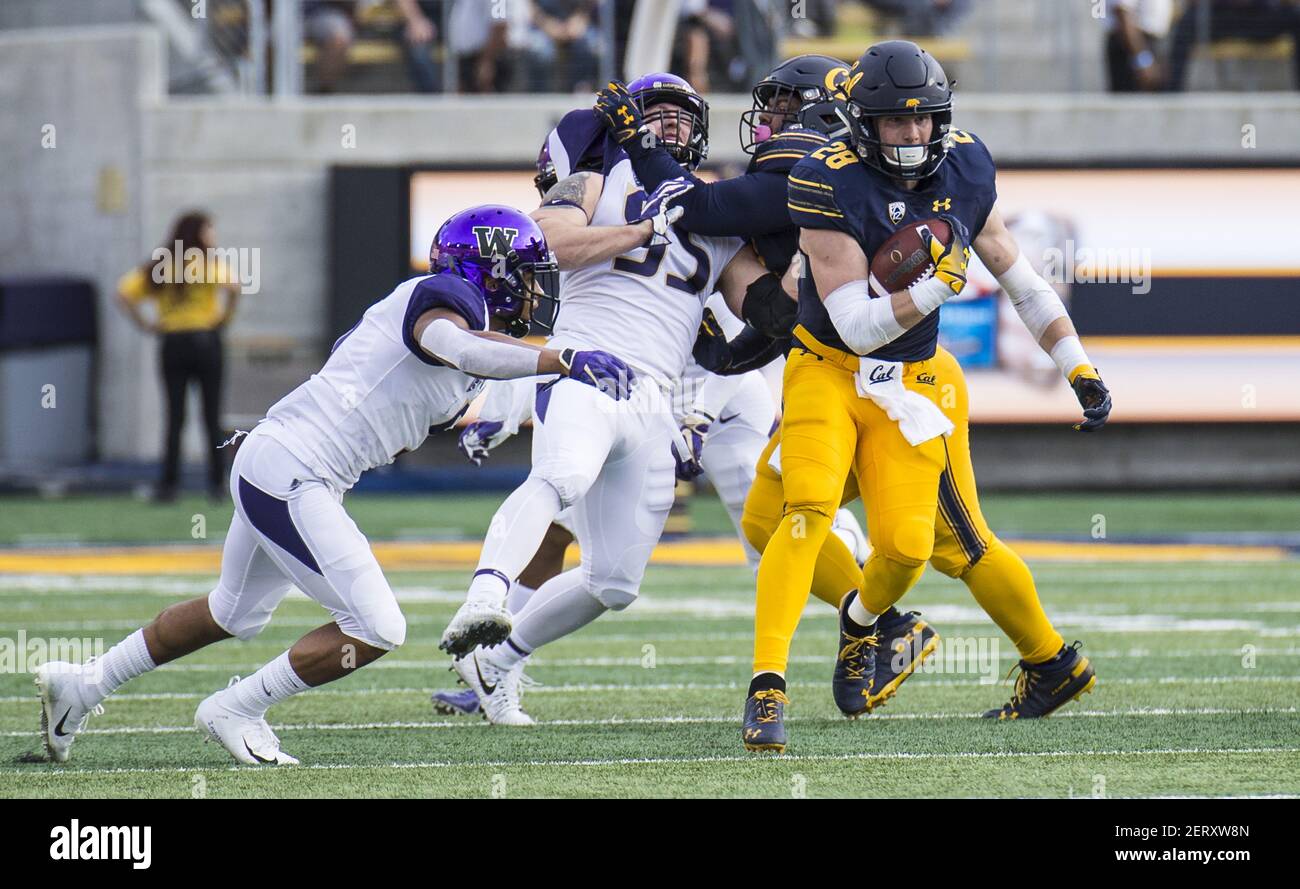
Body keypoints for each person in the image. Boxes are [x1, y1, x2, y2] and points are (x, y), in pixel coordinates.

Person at [37, 206, 634, 766]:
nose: (536, 290)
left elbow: (466, 378)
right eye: (527, 276)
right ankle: (235, 708)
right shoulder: (445, 300)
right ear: (492, 272)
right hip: (294, 471)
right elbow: (460, 347)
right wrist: (561, 358)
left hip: (285, 465)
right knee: (378, 627)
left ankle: (84, 684)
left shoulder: (469, 333)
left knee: (231, 611)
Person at [739, 40, 1111, 752]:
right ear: (860, 123)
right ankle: (781, 681)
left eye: (925, 120)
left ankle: (880, 626)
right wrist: (933, 289)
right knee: (777, 515)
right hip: (829, 367)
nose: (914, 135)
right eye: (896, 122)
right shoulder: (827, 180)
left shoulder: (966, 164)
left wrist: (1078, 365)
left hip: (911, 382)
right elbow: (855, 324)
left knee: (923, 545)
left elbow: (1019, 277)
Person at [437, 73, 769, 726]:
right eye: (659, 116)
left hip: (654, 397)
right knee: (561, 475)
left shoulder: (717, 213)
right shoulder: (602, 178)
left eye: (683, 117)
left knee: (614, 581)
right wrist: (639, 232)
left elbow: (762, 307)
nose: (672, 129)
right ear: (629, 126)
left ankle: (494, 662)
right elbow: (545, 243)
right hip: (587, 362)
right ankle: (484, 594)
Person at [117, 211, 238, 503]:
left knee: (174, 417)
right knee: (211, 416)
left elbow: (123, 293)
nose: (214, 235)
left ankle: (169, 486)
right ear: (199, 232)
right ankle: (216, 485)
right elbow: (234, 287)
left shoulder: (161, 264)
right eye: (210, 229)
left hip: (173, 344)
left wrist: (146, 324)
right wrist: (224, 318)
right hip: (206, 342)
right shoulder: (206, 262)